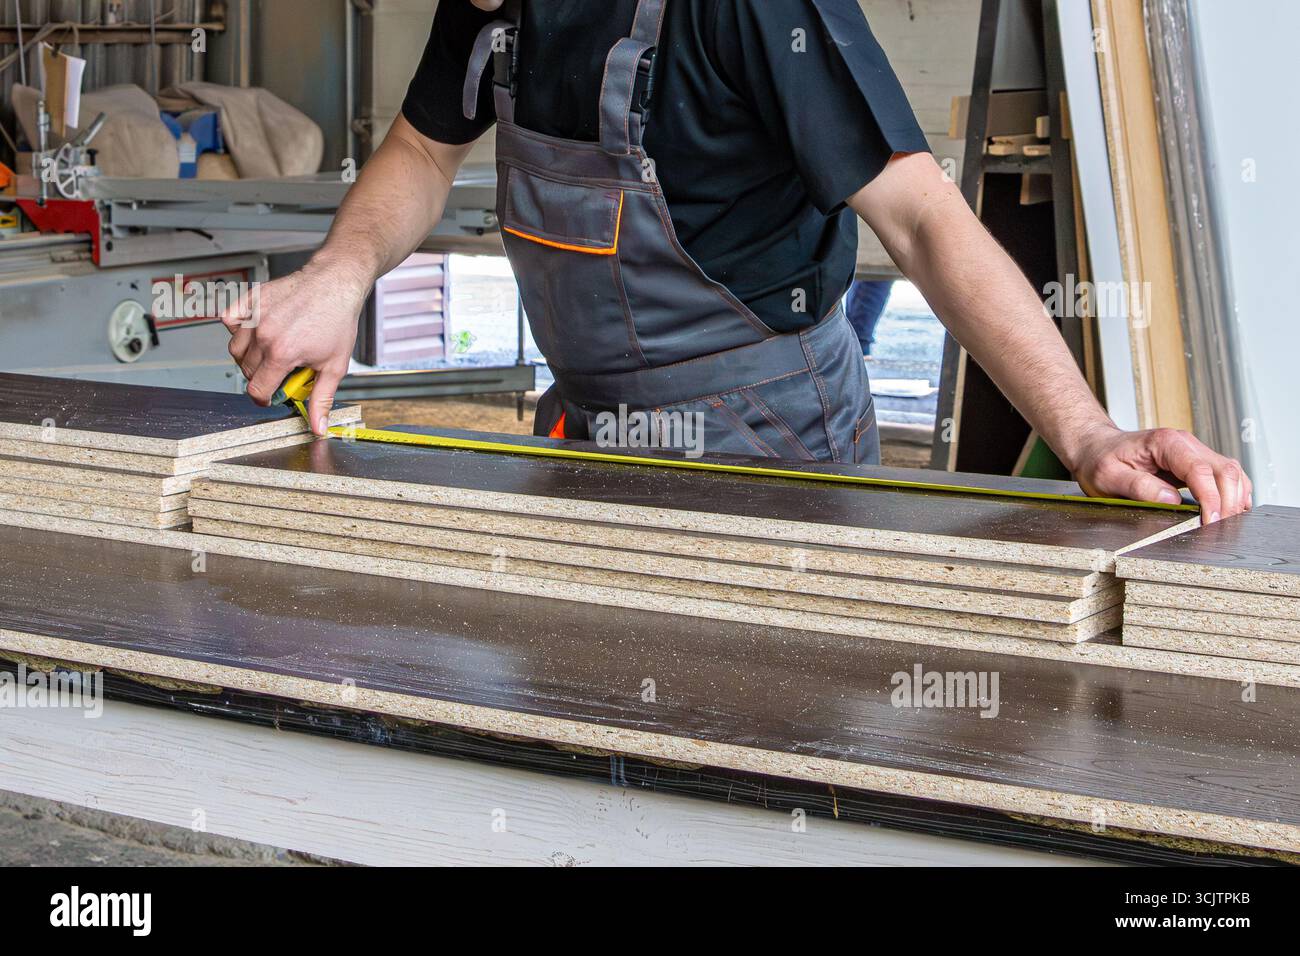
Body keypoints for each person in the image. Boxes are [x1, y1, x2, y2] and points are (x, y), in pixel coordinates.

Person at [221, 0, 1250, 524]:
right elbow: (423, 146)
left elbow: (924, 217)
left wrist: (1087, 435)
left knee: (777, 737)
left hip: (771, 448)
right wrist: (339, 276)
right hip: (593, 438)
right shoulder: (496, 5)